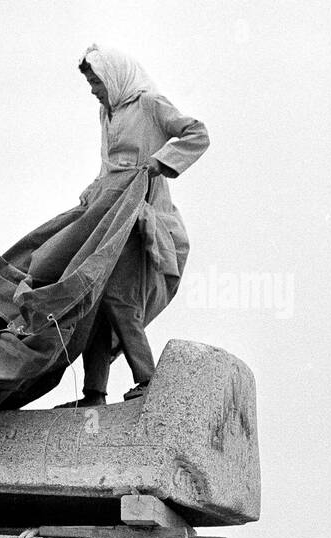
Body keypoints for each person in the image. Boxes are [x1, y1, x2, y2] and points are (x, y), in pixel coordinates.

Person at [33, 45, 209, 406]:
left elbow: (197, 134)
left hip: (139, 215)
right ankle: (94, 394)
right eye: (91, 83)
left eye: (97, 81)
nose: (94, 90)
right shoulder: (106, 112)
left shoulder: (148, 104)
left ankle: (148, 379)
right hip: (109, 211)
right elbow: (109, 166)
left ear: (113, 76)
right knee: (95, 301)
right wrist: (93, 190)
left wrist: (160, 163)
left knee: (119, 296)